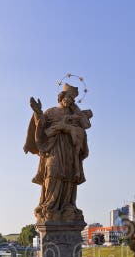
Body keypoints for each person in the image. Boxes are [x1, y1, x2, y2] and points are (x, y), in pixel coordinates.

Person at [24, 83, 93, 222]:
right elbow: (42, 124)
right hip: (54, 148)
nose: (69, 101)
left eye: (72, 99)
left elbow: (85, 126)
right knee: (52, 173)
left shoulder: (75, 114)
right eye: (67, 97)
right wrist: (38, 112)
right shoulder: (51, 111)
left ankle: (67, 206)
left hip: (69, 150)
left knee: (69, 176)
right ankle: (49, 205)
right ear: (61, 96)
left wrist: (73, 117)